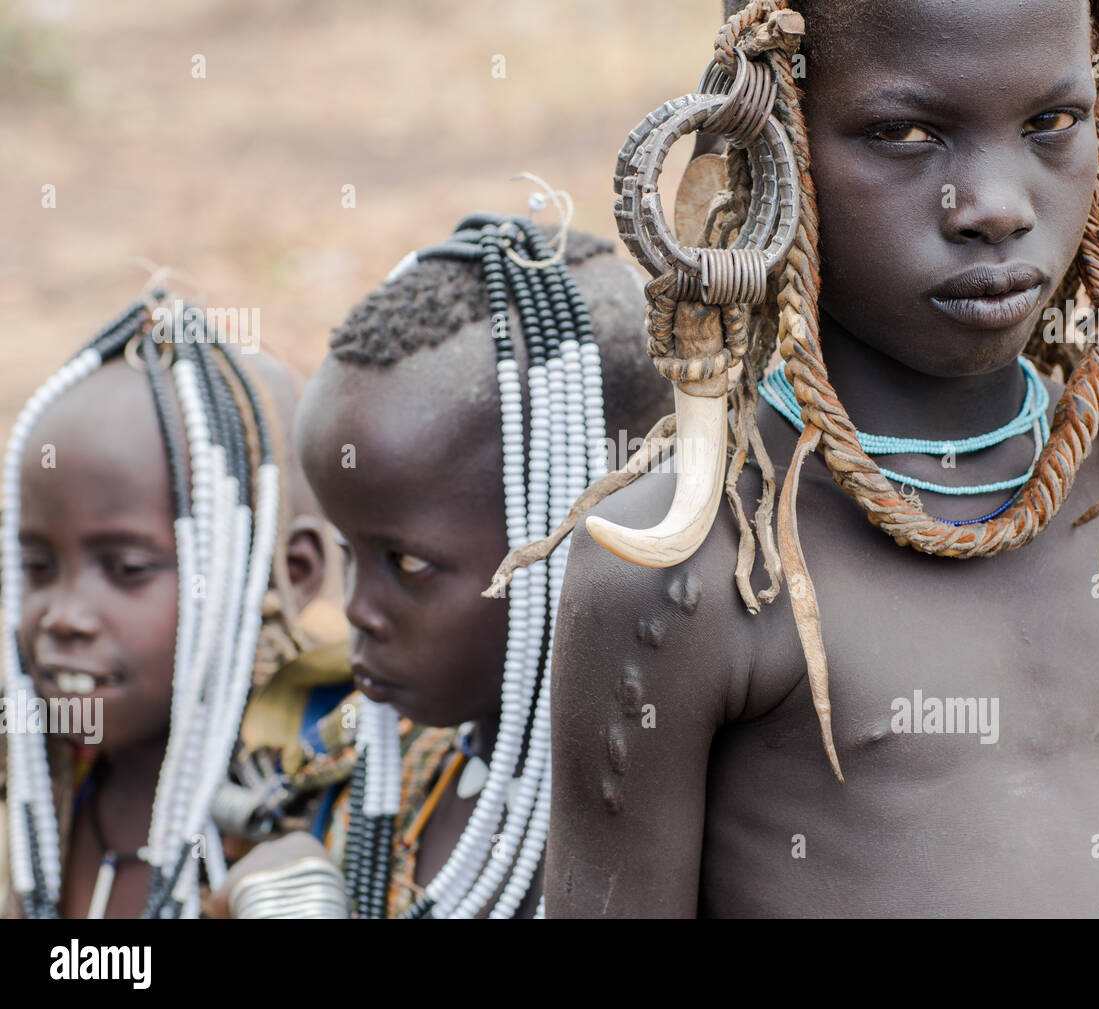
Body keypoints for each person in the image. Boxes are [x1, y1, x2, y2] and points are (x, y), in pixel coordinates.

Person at [543, 0, 1099, 917]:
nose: (997, 208)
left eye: (1053, 122)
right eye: (903, 133)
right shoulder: (689, 569)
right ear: (771, 136)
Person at [250, 215, 674, 918]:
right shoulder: (352, 771)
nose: (356, 607)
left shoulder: (672, 811)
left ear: (582, 530)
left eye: (408, 562)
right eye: (349, 554)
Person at [0, 297, 324, 917]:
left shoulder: (330, 822)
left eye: (126, 570)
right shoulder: (27, 793)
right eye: (37, 567)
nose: (64, 616)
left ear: (289, 573)